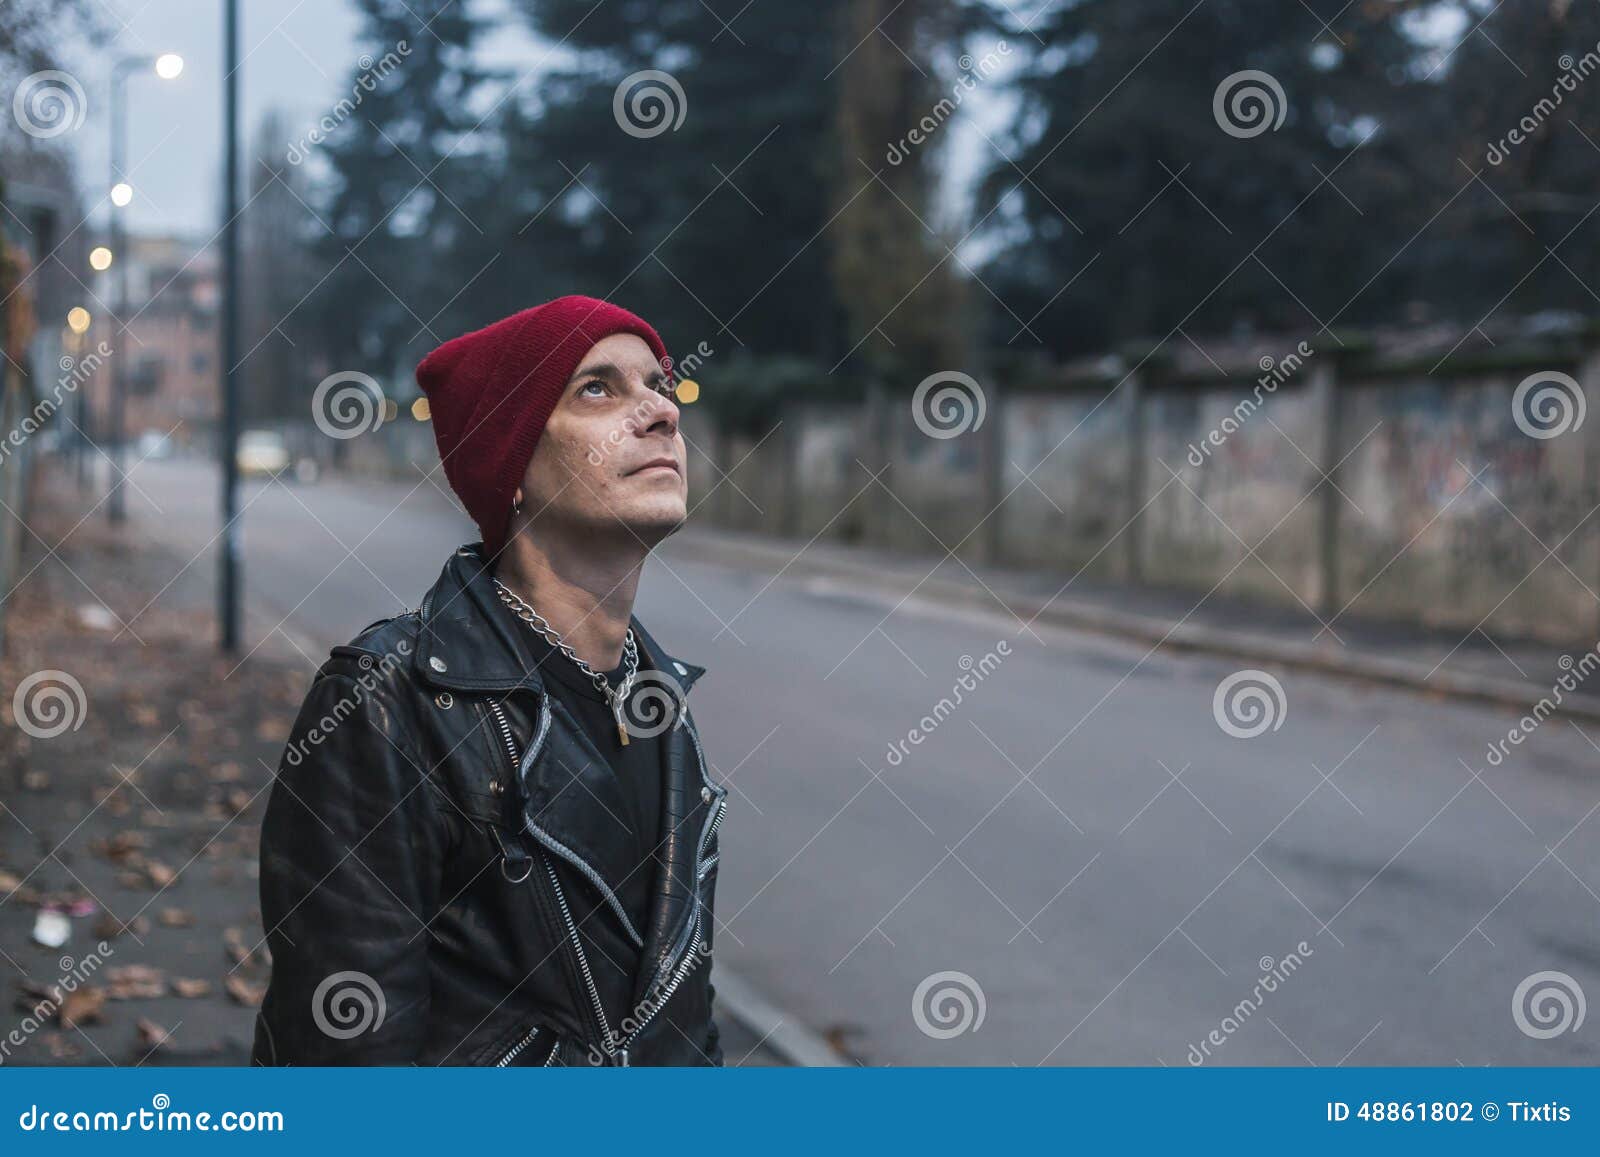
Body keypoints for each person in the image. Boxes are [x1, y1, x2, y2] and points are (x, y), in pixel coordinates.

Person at [251, 295, 727, 1066]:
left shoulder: (659, 701)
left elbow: (686, 1025)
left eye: (658, 385)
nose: (661, 412)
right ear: (511, 466)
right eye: (597, 388)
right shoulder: (388, 704)